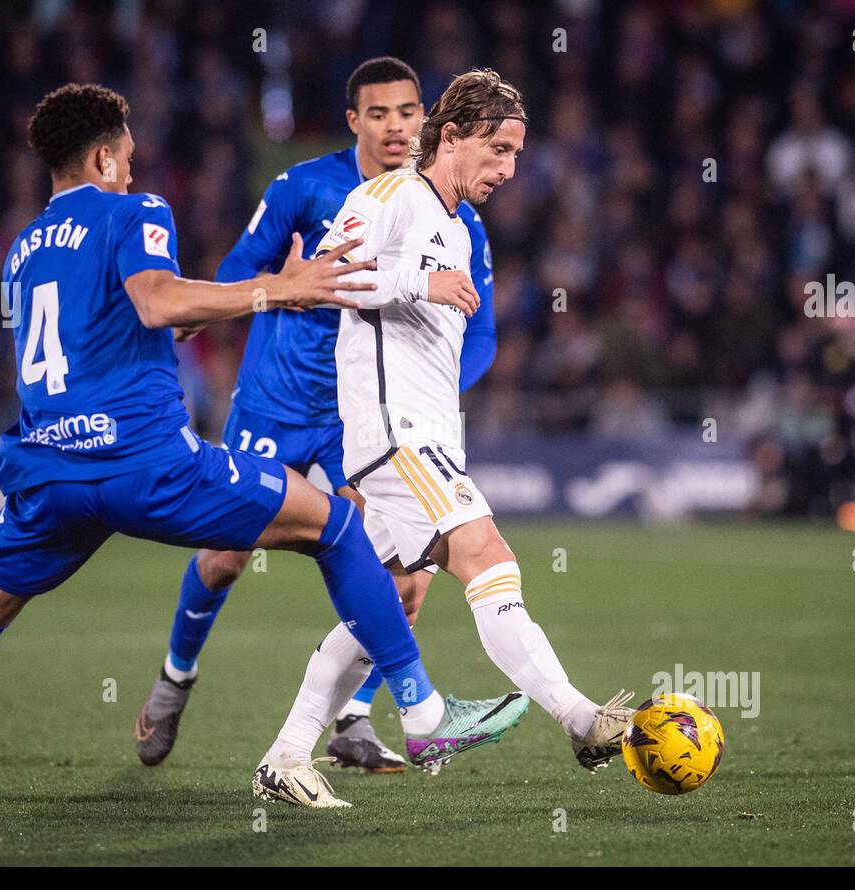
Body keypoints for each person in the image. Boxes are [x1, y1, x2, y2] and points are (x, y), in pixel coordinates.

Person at [0, 82, 528, 833]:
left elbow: (133, 326)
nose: (132, 169)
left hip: (49, 474)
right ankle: (421, 711)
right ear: (103, 156)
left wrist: (201, 314)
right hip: (149, 465)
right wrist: (276, 289)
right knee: (340, 531)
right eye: (125, 157)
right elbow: (157, 301)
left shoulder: (23, 250)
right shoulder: (136, 210)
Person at [255, 69, 634, 807]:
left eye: (517, 155)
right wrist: (416, 286)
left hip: (420, 435)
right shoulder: (388, 195)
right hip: (395, 434)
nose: (508, 170)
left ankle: (287, 754)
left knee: (389, 603)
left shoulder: (458, 229)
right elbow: (320, 279)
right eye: (497, 150)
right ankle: (583, 719)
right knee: (489, 556)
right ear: (451, 135)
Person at [136, 57, 498, 775]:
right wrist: (240, 300)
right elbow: (242, 268)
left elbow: (479, 328)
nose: (398, 126)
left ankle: (354, 719)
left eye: (409, 111)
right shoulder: (302, 187)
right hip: (274, 401)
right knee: (224, 557)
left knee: (405, 573)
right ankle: (177, 676)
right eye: (380, 113)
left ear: (427, 118)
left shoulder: (454, 212)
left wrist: (426, 390)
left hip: (359, 419)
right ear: (354, 121)